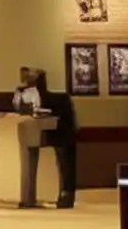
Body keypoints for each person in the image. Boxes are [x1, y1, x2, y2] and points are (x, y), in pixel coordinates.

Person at [34, 69, 78, 209]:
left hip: (61, 133)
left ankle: (66, 195)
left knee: (65, 166)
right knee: (65, 166)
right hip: (65, 133)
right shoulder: (60, 97)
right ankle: (66, 195)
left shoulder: (50, 97)